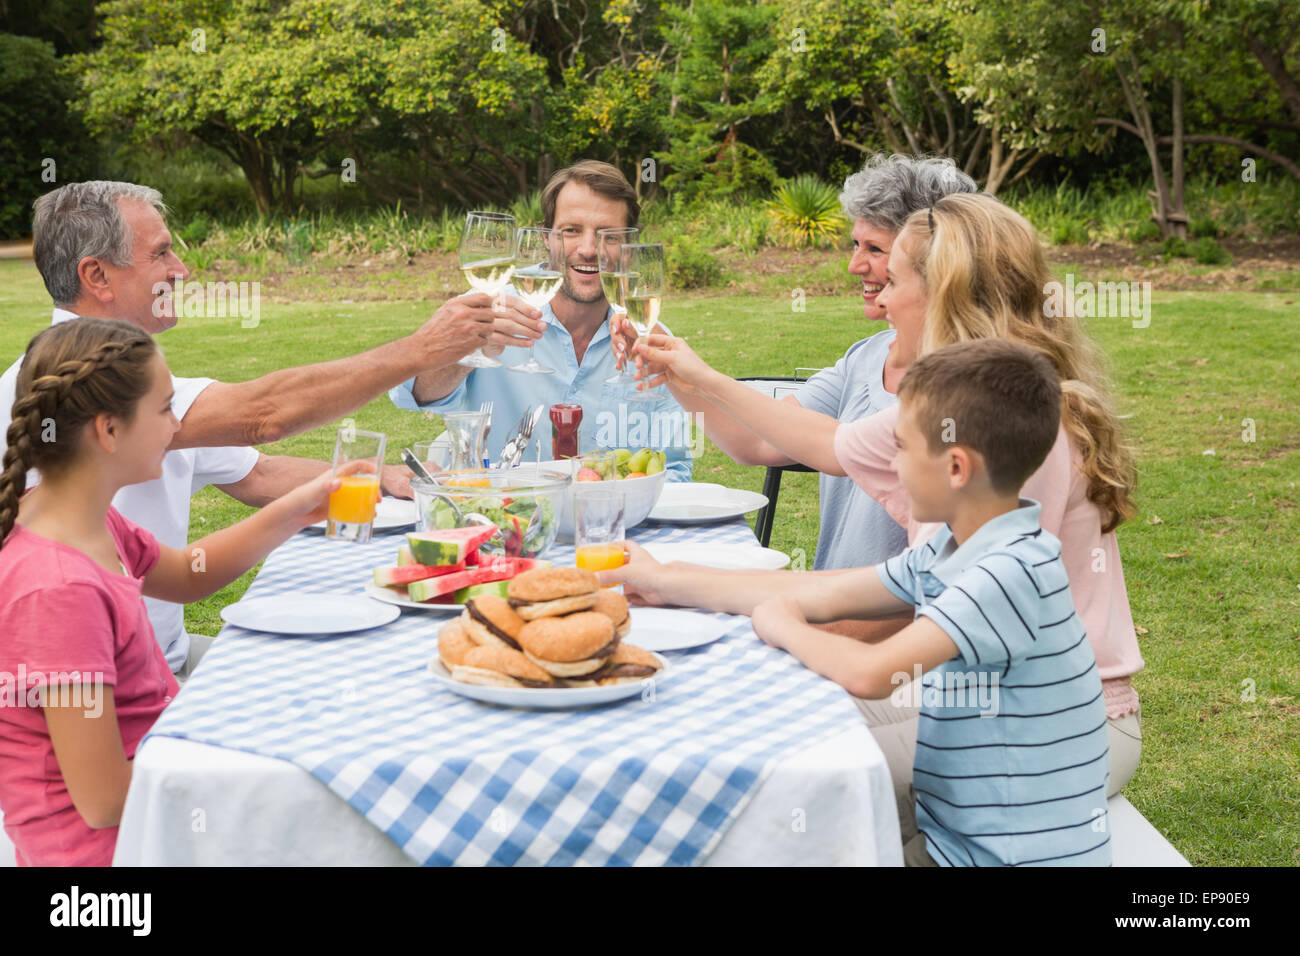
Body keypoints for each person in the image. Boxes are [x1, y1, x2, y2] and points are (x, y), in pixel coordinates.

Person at [627, 192, 1144, 802]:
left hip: (1053, 731)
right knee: (751, 731)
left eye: (892, 276)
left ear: (945, 294)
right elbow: (842, 538)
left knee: (788, 774)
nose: (879, 294)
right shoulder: (950, 416)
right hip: (974, 699)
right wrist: (665, 579)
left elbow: (876, 662)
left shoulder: (1014, 441)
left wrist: (784, 627)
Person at [604, 339, 1112, 866]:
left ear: (956, 468)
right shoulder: (957, 545)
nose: (888, 462)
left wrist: (786, 628)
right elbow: (820, 593)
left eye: (902, 448)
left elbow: (872, 673)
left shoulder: (1006, 574)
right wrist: (665, 579)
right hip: (956, 840)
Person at [0, 181, 496, 679]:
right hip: (127, 680)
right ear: (98, 276)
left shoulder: (115, 417)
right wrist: (421, 349)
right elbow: (265, 416)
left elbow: (254, 476)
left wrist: (382, 478)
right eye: (162, 253)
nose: (182, 270)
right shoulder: (75, 388)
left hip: (163, 659)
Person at [0, 319, 342, 866]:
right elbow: (104, 798)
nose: (177, 426)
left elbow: (187, 574)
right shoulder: (58, 592)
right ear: (108, 431)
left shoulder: (86, 520)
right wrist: (236, 742)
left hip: (158, 817)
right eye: (164, 410)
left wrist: (300, 505)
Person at [614, 153, 976, 576]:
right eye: (855, 244)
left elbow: (836, 447)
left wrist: (704, 378)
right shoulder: (866, 358)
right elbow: (756, 441)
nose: (853, 265)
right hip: (830, 608)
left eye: (875, 250)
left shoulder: (969, 391)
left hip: (887, 627)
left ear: (938, 263)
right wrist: (675, 374)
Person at [389, 161, 693, 480]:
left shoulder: (650, 340)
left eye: (610, 236)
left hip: (604, 522)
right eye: (571, 231)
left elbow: (674, 470)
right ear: (546, 237)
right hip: (494, 514)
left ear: (631, 247)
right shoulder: (494, 308)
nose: (589, 249)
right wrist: (467, 353)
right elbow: (411, 393)